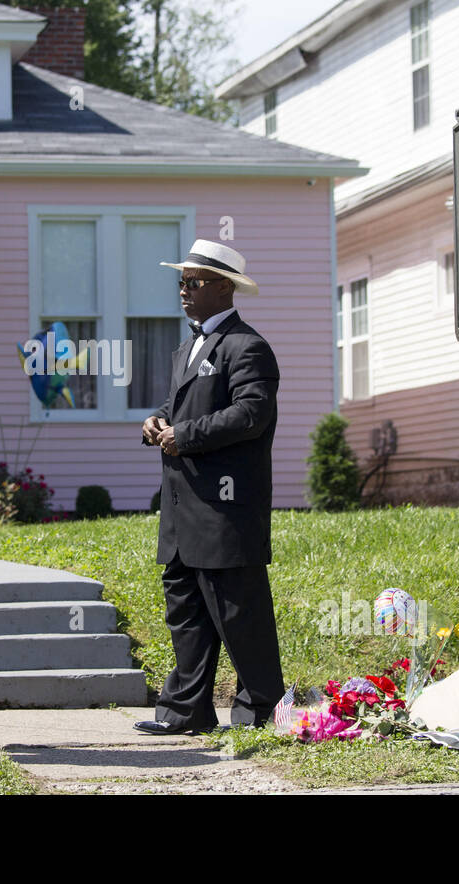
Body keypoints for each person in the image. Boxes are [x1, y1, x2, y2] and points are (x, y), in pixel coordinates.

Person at [135, 239, 286, 735]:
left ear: (225, 288)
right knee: (186, 613)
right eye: (180, 282)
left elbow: (250, 413)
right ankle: (185, 712)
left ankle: (261, 712)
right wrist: (157, 422)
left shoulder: (249, 347)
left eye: (193, 283)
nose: (183, 291)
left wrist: (186, 435)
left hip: (225, 510)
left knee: (240, 617)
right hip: (182, 511)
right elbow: (176, 407)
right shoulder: (187, 348)